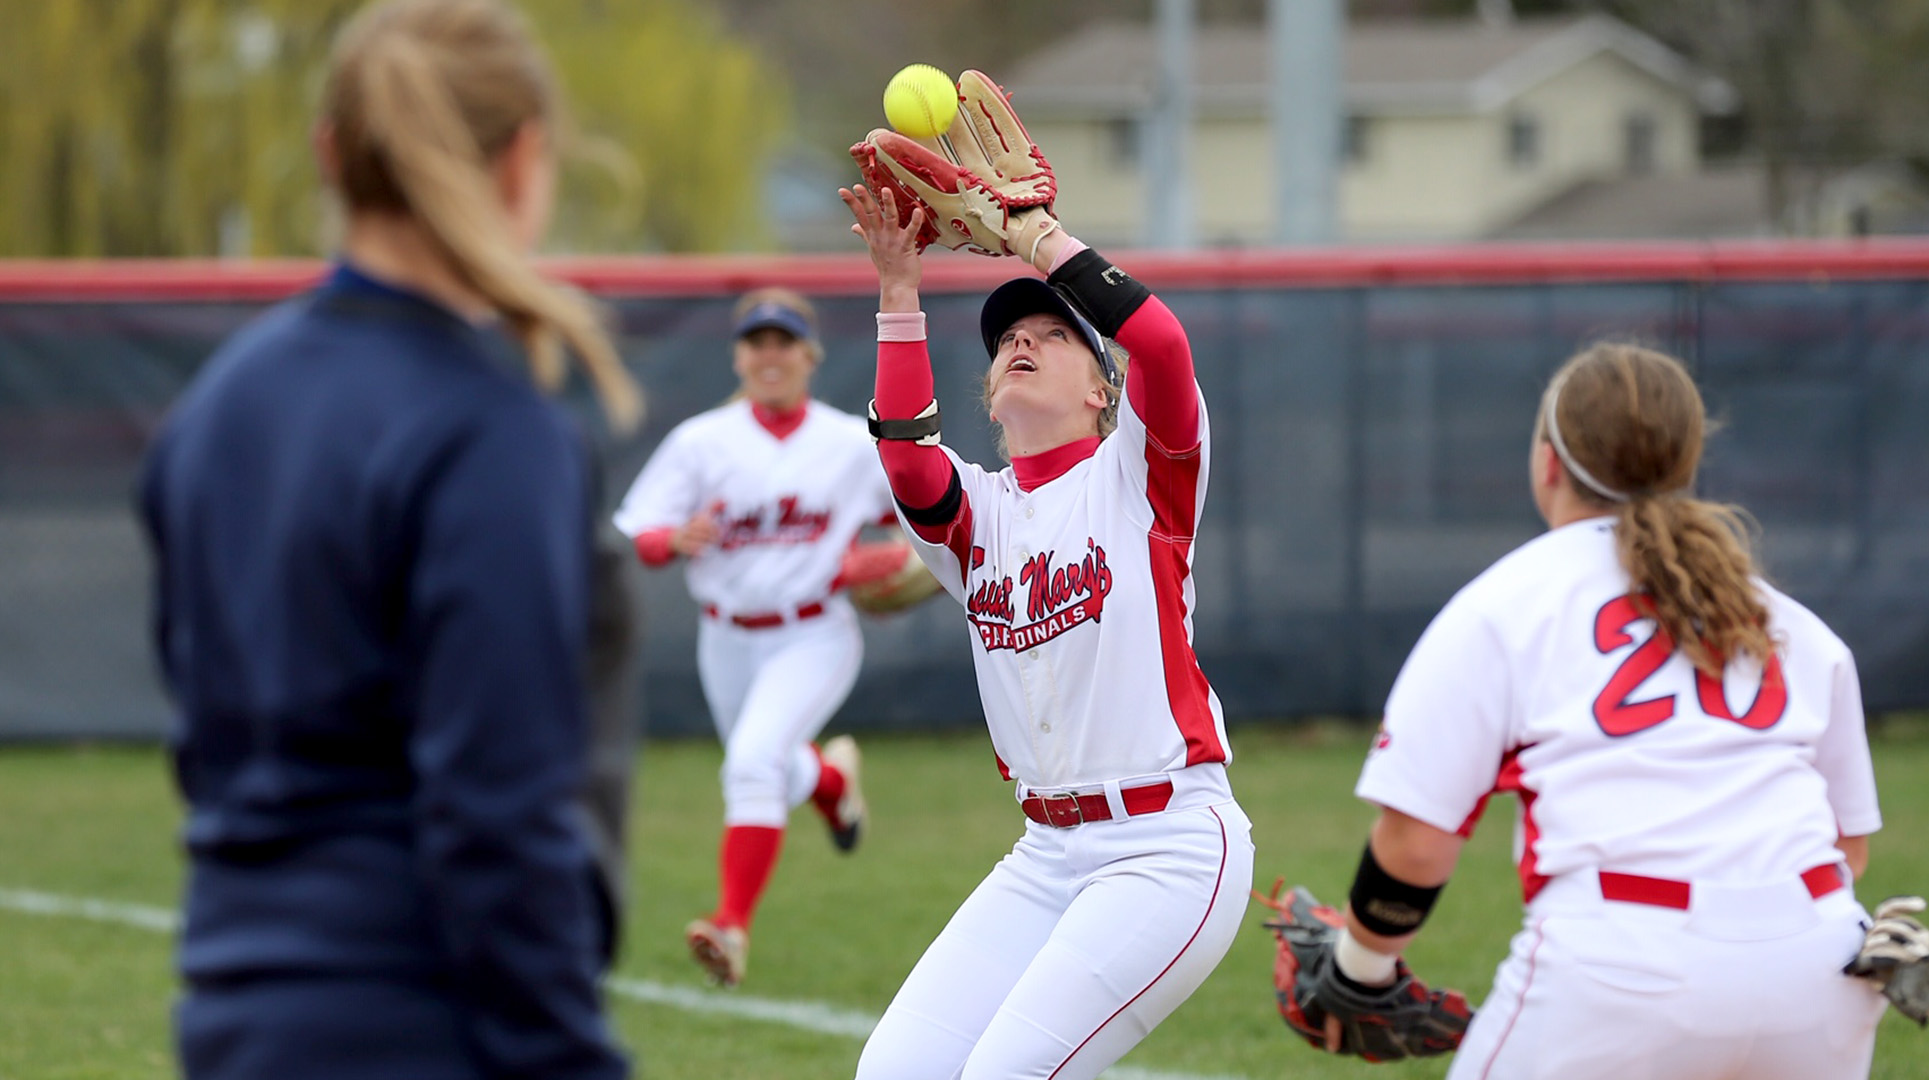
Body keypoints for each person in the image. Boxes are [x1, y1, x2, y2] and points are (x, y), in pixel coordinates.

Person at [138, 2, 638, 1077]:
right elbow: (496, 819)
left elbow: (204, 745)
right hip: (418, 1028)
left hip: (231, 1020)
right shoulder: (490, 431)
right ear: (524, 164)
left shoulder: (217, 406)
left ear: (331, 154)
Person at [1322, 343, 1887, 1079]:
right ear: (1684, 465)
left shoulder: (1506, 603)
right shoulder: (1788, 622)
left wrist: (1358, 966)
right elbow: (1847, 852)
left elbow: (1415, 842)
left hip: (1622, 963)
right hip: (1823, 963)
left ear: (1548, 464)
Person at [837, 177, 1254, 1079]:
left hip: (1166, 846)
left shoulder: (1139, 475)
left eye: (1052, 334)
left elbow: (1162, 343)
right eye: (1006, 343)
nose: (1021, 342)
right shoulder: (976, 517)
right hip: (1044, 852)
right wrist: (898, 292)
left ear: (1104, 392)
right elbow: (909, 461)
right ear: (986, 397)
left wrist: (1038, 241)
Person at [611, 287, 894, 988]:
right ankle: (829, 782)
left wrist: (886, 560)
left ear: (809, 356)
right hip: (726, 639)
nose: (770, 356)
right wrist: (670, 539)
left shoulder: (849, 442)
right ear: (738, 358)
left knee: (748, 763)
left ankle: (731, 926)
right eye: (757, 344)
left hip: (814, 633)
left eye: (784, 343)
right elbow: (637, 531)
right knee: (763, 763)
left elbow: (917, 514)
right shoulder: (701, 442)